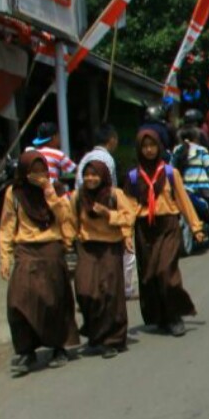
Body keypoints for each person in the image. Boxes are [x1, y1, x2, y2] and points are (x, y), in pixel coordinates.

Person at [0, 151, 78, 376]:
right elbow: (6, 226)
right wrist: (5, 257)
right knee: (17, 301)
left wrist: (50, 193)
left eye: (41, 170)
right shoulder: (14, 193)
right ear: (24, 172)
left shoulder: (57, 190)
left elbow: (66, 218)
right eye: (33, 171)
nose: (38, 175)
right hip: (25, 250)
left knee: (53, 301)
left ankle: (58, 348)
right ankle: (26, 350)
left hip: (51, 249)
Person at [125, 124, 204, 337]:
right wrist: (126, 234)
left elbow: (183, 200)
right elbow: (130, 206)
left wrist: (196, 227)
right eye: (145, 146)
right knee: (149, 275)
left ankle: (176, 316)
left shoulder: (170, 173)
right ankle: (160, 316)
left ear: (159, 147)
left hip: (168, 226)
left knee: (166, 272)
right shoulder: (133, 176)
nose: (149, 150)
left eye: (152, 145)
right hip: (144, 230)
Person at [73, 151, 137, 359]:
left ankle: (112, 340)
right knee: (84, 290)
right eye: (87, 175)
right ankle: (95, 332)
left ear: (103, 175)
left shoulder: (114, 194)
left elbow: (129, 216)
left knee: (110, 293)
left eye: (95, 175)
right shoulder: (79, 196)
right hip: (87, 247)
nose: (91, 179)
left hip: (110, 246)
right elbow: (67, 218)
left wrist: (108, 214)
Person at [31, 123, 77, 189]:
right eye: (58, 136)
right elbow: (76, 170)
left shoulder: (33, 153)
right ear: (54, 137)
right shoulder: (57, 154)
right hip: (52, 192)